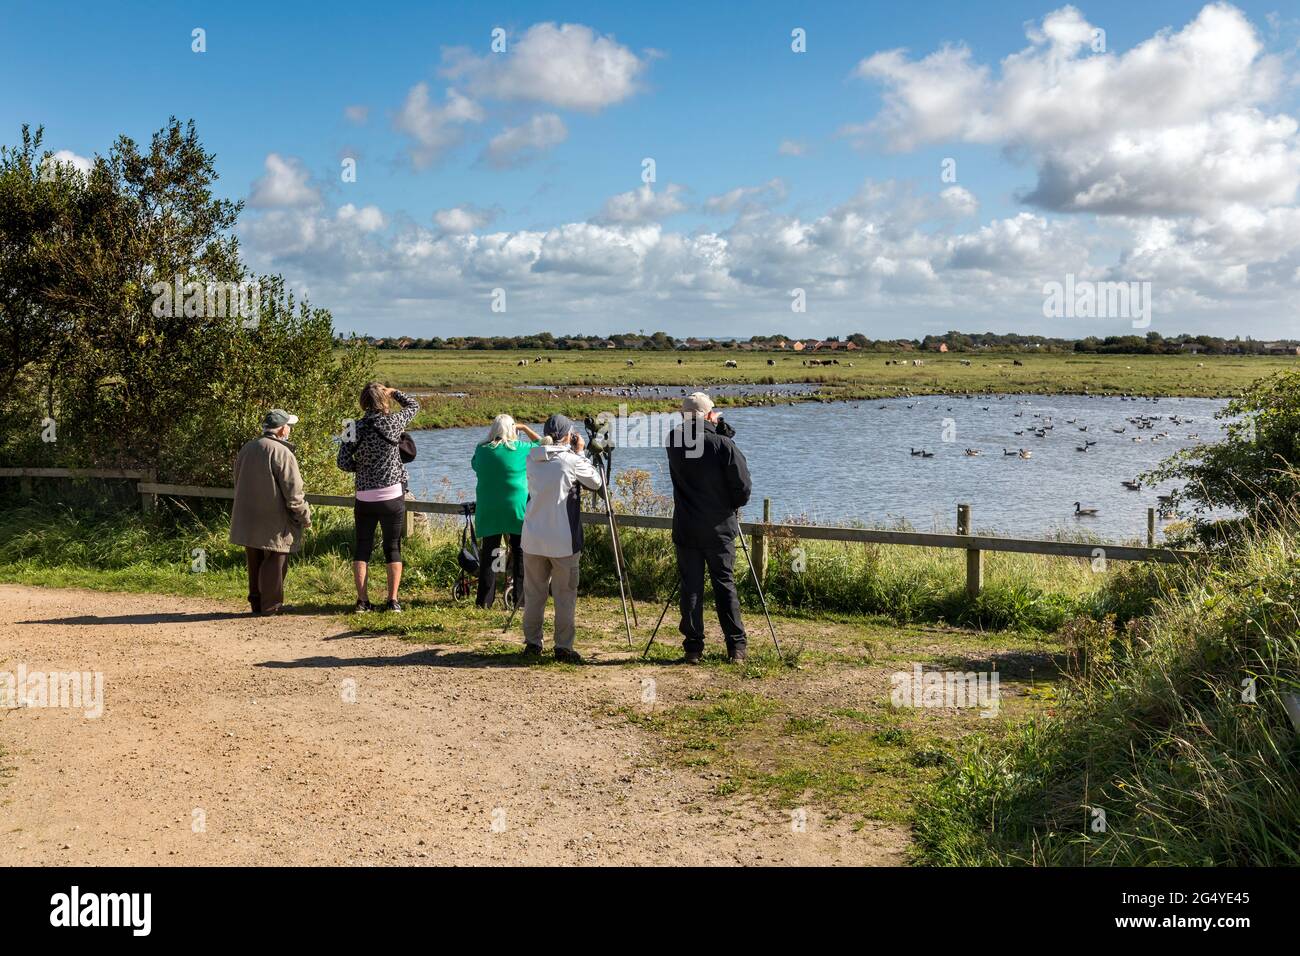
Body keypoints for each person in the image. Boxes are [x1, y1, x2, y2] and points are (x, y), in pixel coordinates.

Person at [666, 392, 753, 663]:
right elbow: (743, 487)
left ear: (683, 416)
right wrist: (723, 436)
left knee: (691, 588)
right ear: (709, 415)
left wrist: (714, 430)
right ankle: (735, 647)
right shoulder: (722, 445)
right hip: (719, 528)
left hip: (687, 527)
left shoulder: (673, 442)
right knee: (724, 585)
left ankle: (693, 648)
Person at [519, 414, 603, 663]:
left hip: (533, 537)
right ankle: (563, 647)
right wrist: (580, 453)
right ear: (568, 435)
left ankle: (532, 643)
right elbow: (597, 481)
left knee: (534, 594)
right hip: (563, 540)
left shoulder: (532, 458)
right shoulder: (570, 461)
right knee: (565, 595)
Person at [337, 382, 420, 613]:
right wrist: (394, 392)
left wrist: (362, 468)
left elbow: (342, 462)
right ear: (383, 401)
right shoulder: (393, 422)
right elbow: (414, 405)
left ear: (363, 401)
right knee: (392, 547)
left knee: (362, 547)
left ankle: (362, 601)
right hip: (392, 494)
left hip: (364, 495)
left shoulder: (351, 426)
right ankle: (393, 601)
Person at [230, 409, 312, 616]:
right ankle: (271, 605)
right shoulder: (283, 452)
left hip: (247, 515)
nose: (290, 430)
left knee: (254, 558)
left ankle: (256, 602)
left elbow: (237, 479)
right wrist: (305, 516)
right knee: (276, 560)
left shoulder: (248, 448)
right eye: (289, 427)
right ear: (283, 429)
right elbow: (294, 492)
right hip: (274, 517)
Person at [471, 414, 542, 609]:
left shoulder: (482, 449)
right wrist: (526, 428)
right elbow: (545, 445)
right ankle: (519, 600)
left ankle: (485, 601)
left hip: (489, 508)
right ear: (513, 430)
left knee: (491, 553)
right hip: (515, 507)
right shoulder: (521, 449)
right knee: (520, 552)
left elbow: (474, 465)